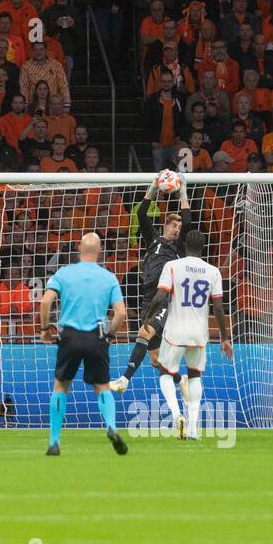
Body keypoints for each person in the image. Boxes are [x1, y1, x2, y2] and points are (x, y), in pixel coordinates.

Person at [38, 232, 128, 457]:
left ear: (79, 248)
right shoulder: (108, 277)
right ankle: (111, 427)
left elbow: (45, 301)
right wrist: (109, 335)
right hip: (96, 335)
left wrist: (43, 328)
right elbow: (121, 313)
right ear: (99, 251)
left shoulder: (64, 273)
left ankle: (54, 441)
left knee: (61, 387)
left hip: (69, 336)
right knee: (102, 386)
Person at [135, 230, 232, 440]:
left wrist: (148, 318)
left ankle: (178, 414)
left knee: (165, 372)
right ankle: (193, 429)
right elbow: (218, 307)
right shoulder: (213, 271)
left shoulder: (172, 266)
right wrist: (224, 337)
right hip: (199, 333)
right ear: (203, 247)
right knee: (195, 376)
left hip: (175, 331)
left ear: (184, 245)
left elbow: (160, 296)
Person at [117, 172, 192, 392]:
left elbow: (187, 220)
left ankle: (124, 380)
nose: (177, 230)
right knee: (155, 359)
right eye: (174, 226)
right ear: (166, 226)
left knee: (144, 332)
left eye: (179, 228)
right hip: (147, 298)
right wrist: (153, 186)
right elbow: (141, 213)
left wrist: (183, 192)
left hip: (165, 298)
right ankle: (181, 380)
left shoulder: (178, 248)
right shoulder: (154, 241)